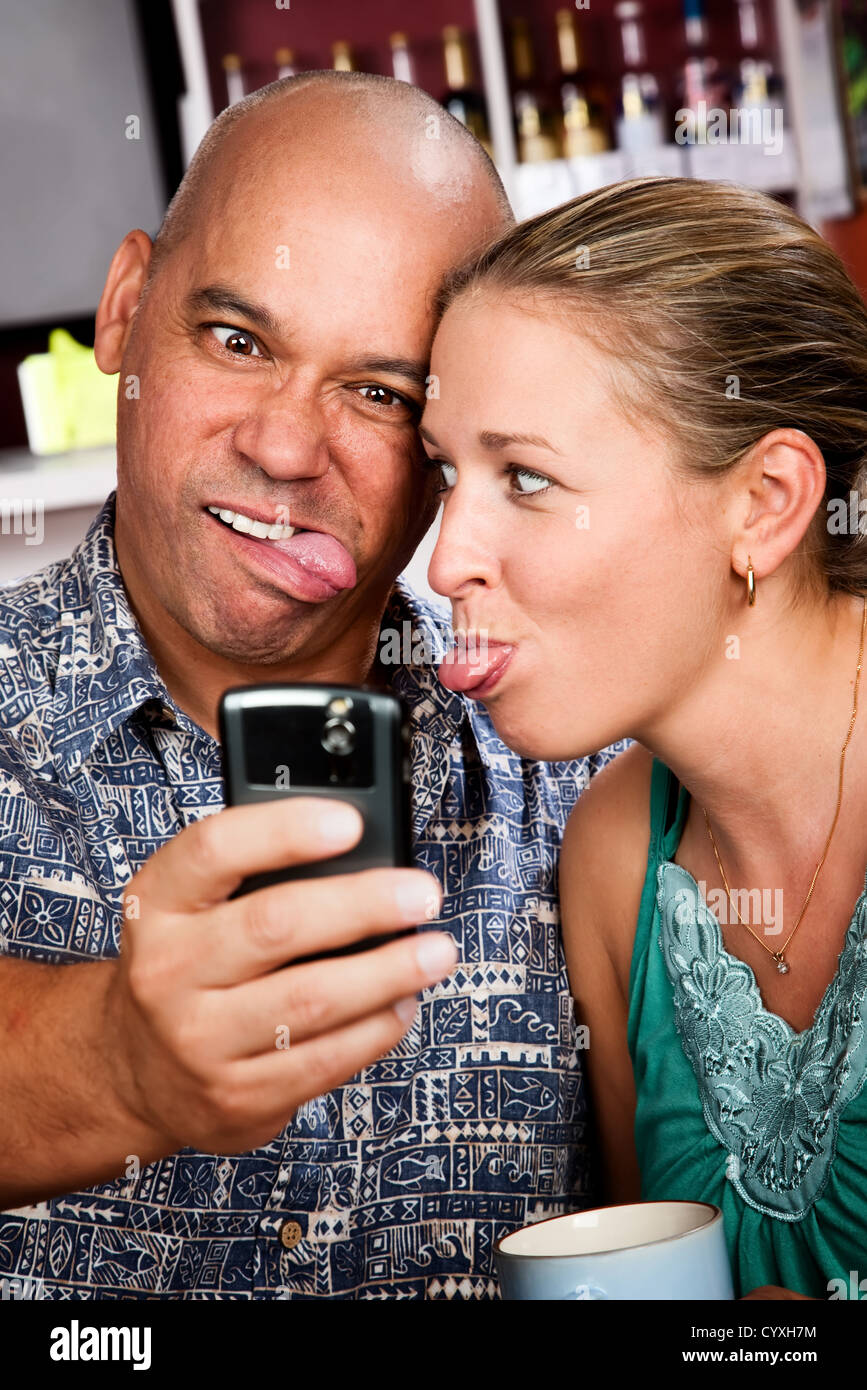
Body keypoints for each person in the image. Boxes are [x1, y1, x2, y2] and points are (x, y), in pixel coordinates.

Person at [0, 73, 625, 1299]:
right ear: (125, 311)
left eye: (379, 394)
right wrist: (118, 1063)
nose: (287, 448)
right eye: (238, 341)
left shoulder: (579, 755)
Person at [423, 175, 867, 1301]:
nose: (444, 561)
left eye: (526, 476)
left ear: (765, 499)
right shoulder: (616, 851)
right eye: (445, 471)